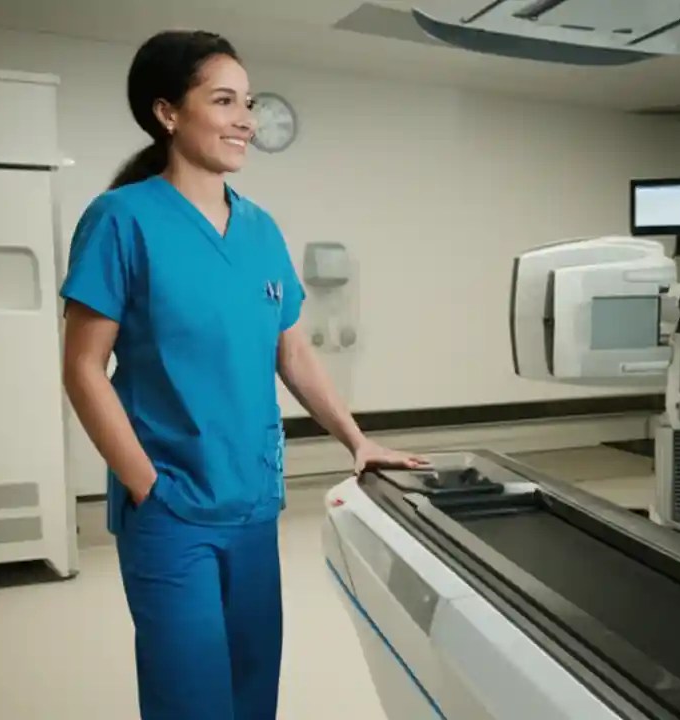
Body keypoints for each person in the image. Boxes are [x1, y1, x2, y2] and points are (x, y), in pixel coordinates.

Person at [59, 29, 429, 720]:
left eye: (248, 103)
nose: (245, 121)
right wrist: (147, 486)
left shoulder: (260, 229)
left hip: (253, 505)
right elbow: (83, 367)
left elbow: (292, 352)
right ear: (167, 112)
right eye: (224, 101)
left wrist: (357, 439)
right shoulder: (122, 220)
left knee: (254, 691)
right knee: (192, 701)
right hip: (171, 510)